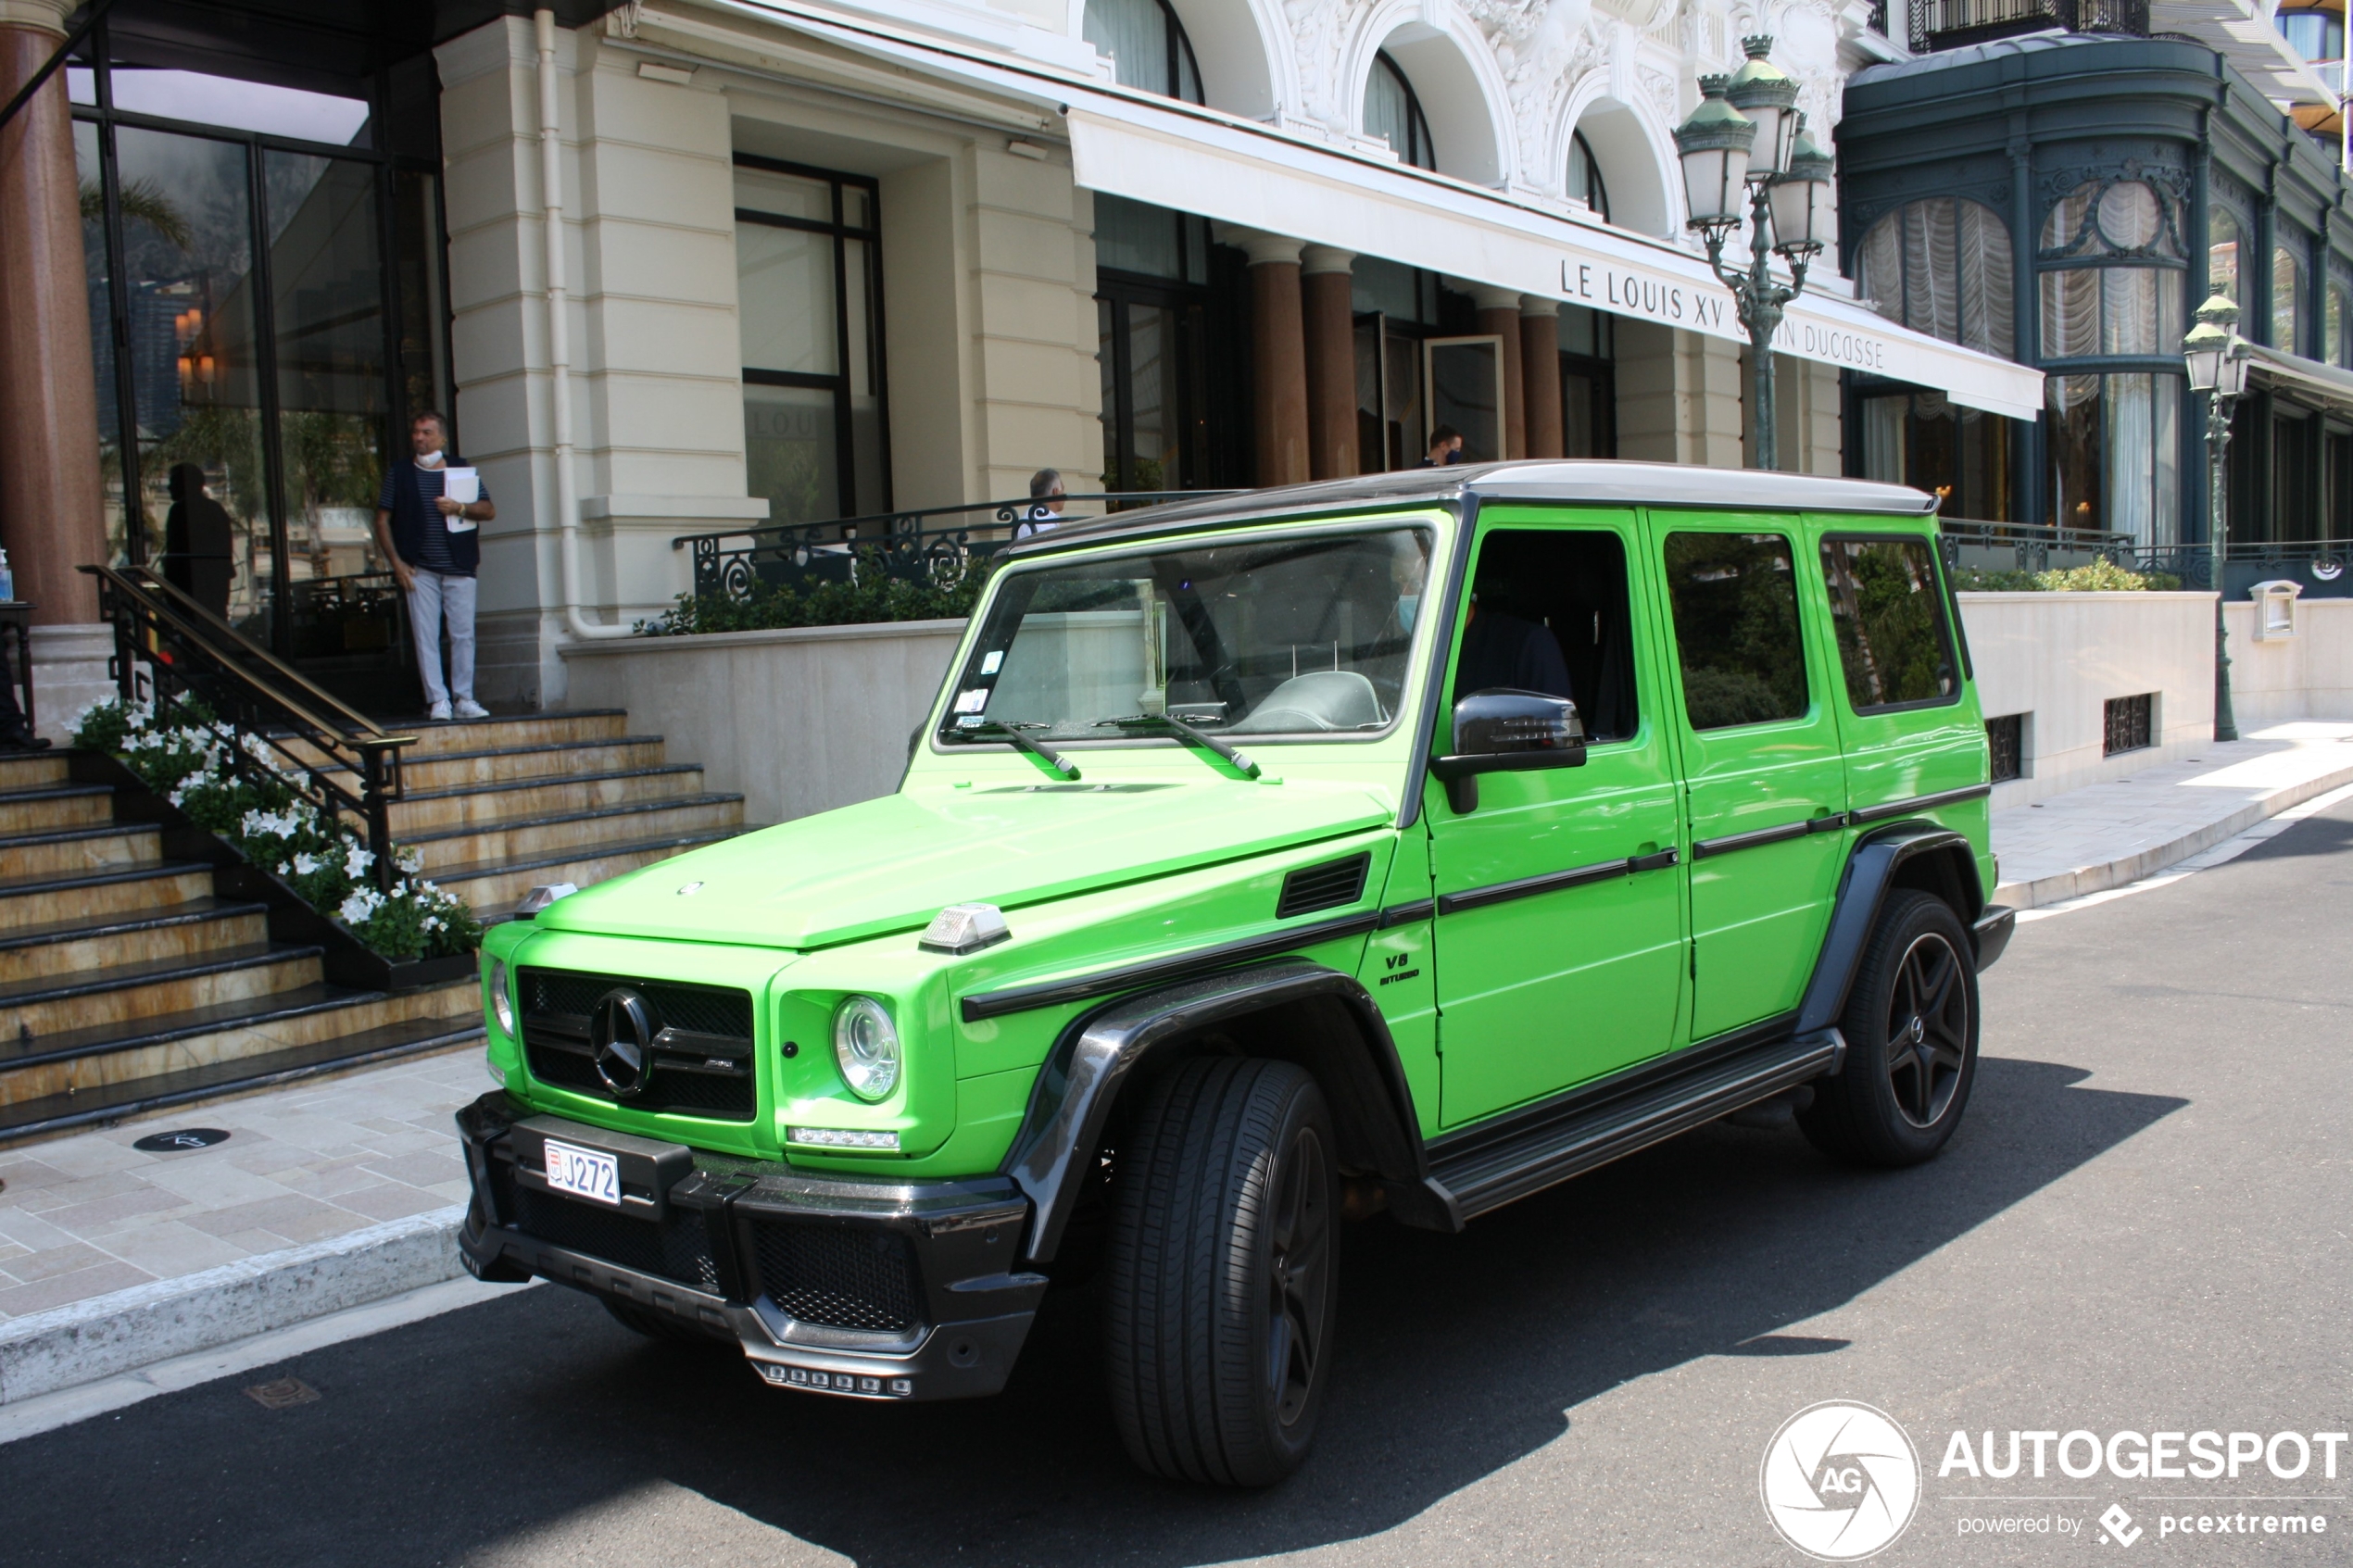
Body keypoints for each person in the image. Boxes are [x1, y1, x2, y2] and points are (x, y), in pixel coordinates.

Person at [372, 410, 494, 721]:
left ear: (441, 438)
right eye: (416, 432)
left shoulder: (460, 470)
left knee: (463, 634)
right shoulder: (400, 473)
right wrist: (397, 564)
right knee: (425, 634)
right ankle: (438, 699)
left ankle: (464, 698)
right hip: (419, 567)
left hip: (459, 563)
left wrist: (460, 507)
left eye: (426, 432)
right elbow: (383, 520)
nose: (419, 438)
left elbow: (488, 509)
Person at [161, 464, 234, 621]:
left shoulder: (179, 510)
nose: (169, 487)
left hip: (190, 587)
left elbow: (175, 551)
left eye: (173, 482)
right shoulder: (215, 509)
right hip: (215, 585)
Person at [1014, 468, 1065, 539]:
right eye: (1062, 490)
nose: (1064, 495)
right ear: (1056, 492)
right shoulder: (1042, 523)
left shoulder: (1033, 516)